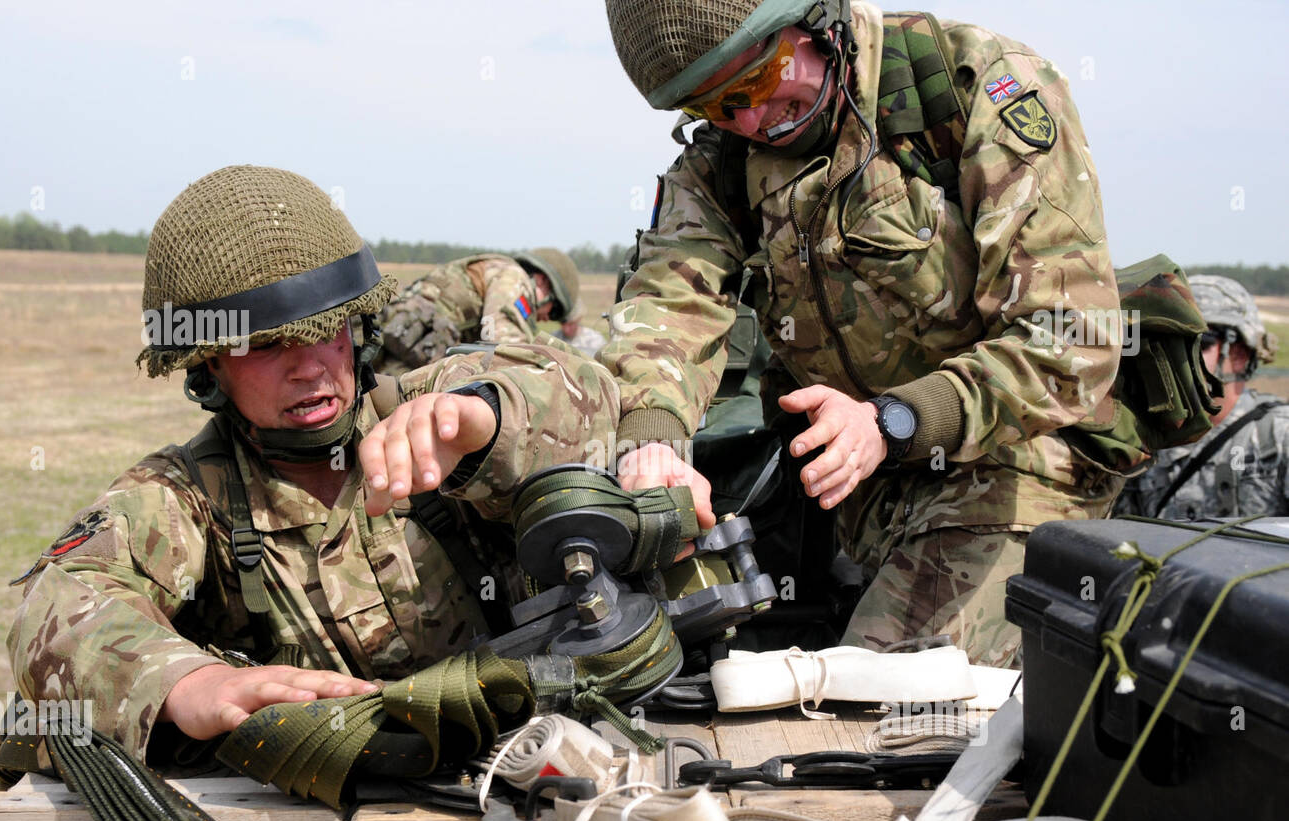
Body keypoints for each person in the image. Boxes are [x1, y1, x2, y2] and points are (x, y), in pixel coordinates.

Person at [4, 166, 631, 764]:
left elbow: (589, 394)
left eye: (325, 329)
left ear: (355, 332)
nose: (307, 365)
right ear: (208, 365)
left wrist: (486, 423)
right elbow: (56, 601)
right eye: (267, 346)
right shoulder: (188, 495)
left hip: (536, 754)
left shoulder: (424, 409)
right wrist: (188, 681)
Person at [598, 0, 1126, 667]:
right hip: (870, 497)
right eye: (714, 108)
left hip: (1022, 470)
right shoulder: (728, 159)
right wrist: (652, 443)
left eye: (758, 83)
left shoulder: (974, 88)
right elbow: (669, 304)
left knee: (882, 704)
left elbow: (1072, 339)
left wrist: (894, 420)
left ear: (821, 21)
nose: (752, 121)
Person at [1116, 276, 1287, 520]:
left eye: (1197, 344)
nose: (1176, 358)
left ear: (1238, 354)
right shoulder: (1140, 437)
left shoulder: (1278, 437)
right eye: (1167, 345)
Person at [375, 248, 584, 374]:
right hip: (407, 358)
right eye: (554, 309)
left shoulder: (495, 270)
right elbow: (506, 350)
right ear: (542, 281)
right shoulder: (515, 278)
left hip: (397, 350)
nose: (547, 318)